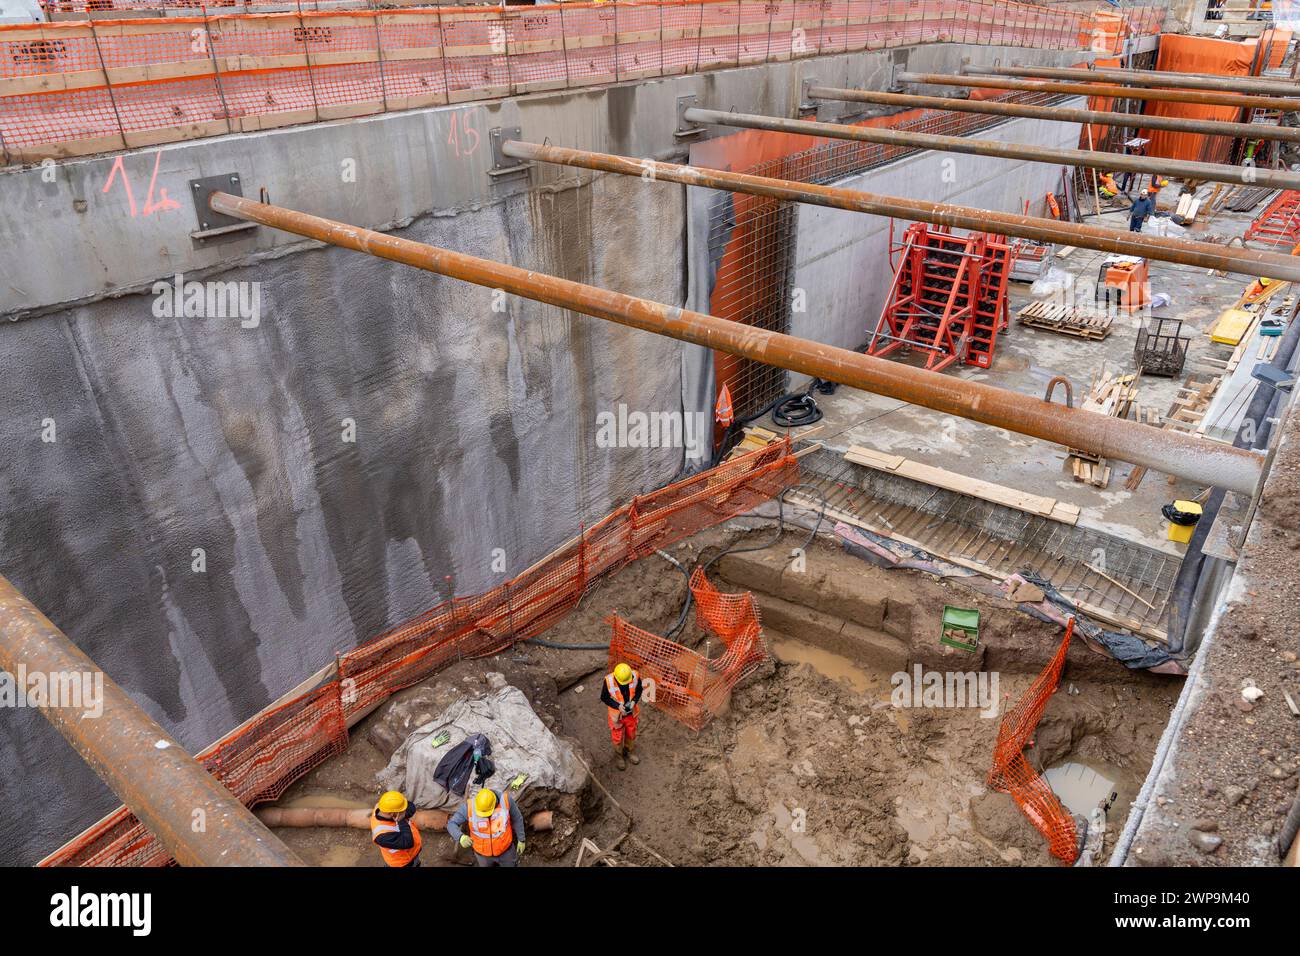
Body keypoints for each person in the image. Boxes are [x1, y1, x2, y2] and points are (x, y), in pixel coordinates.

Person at [447, 787, 526, 867]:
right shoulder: (468, 807)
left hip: (506, 851)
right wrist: (460, 837)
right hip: (482, 855)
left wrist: (521, 839)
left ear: (494, 804)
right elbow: (451, 824)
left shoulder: (506, 801)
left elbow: (517, 818)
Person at [601, 662, 643, 770]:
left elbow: (639, 690)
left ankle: (629, 751)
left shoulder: (634, 676)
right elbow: (604, 697)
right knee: (617, 737)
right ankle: (619, 756)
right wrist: (617, 706)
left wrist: (634, 701)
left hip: (631, 714)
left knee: (631, 733)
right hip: (616, 716)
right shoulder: (609, 681)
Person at [370, 790, 422, 867]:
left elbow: (411, 807)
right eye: (402, 810)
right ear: (393, 813)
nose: (405, 810)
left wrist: (402, 814)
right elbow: (408, 842)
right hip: (403, 863)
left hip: (412, 855)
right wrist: (401, 820)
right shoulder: (382, 836)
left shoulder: (382, 808)